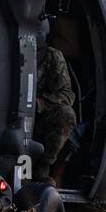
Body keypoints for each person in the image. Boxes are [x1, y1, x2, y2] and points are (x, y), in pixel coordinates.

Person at [33, 18, 77, 186]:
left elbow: (66, 95)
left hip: (37, 118)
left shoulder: (52, 57)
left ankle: (41, 168)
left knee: (66, 115)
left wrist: (39, 104)